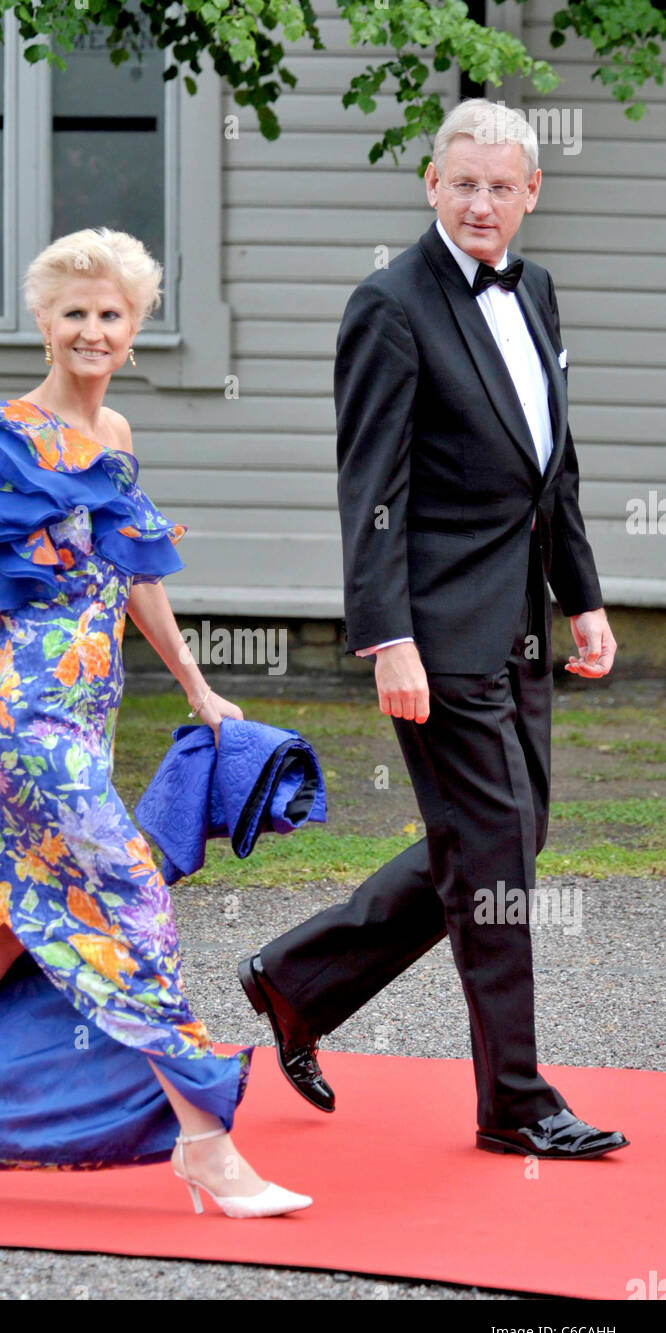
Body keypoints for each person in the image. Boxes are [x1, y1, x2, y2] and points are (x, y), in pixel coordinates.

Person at [0, 227, 311, 1218]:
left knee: (12, 918)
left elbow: (136, 573)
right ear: (44, 324)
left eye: (112, 314)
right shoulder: (4, 438)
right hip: (26, 722)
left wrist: (196, 687)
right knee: (133, 897)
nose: (93, 329)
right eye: (75, 313)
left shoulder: (118, 437)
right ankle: (205, 1142)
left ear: (133, 331)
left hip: (85, 721)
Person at [238, 99, 629, 1160]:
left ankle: (296, 978)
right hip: (437, 635)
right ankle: (515, 1102)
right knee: (494, 857)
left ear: (531, 192)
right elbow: (369, 488)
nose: (480, 204)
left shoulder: (534, 292)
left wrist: (583, 596)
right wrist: (388, 639)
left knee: (505, 839)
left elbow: (553, 465)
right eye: (462, 185)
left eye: (500, 187)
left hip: (520, 623)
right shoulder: (389, 305)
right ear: (430, 185)